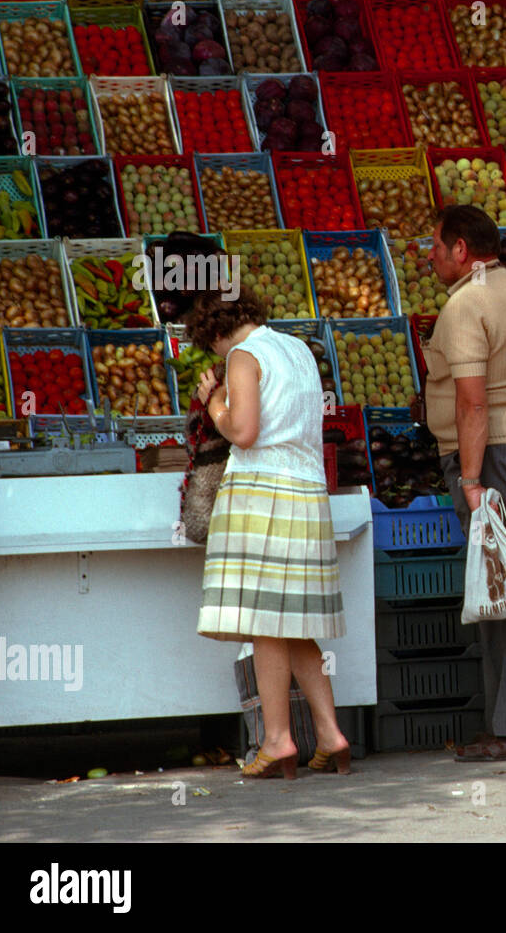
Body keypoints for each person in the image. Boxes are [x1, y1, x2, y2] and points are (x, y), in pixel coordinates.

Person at [191, 276, 350, 780]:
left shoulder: (242, 356)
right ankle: (330, 736)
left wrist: (213, 401)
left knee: (264, 620)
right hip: (307, 491)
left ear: (213, 329)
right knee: (295, 621)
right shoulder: (298, 348)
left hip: (261, 494)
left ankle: (278, 741)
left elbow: (243, 430)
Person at [422, 205, 506, 762]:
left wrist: (474, 478)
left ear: (460, 248)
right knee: (505, 583)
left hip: (494, 458)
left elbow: (471, 400)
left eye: (434, 245)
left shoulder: (465, 306)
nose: (429, 256)